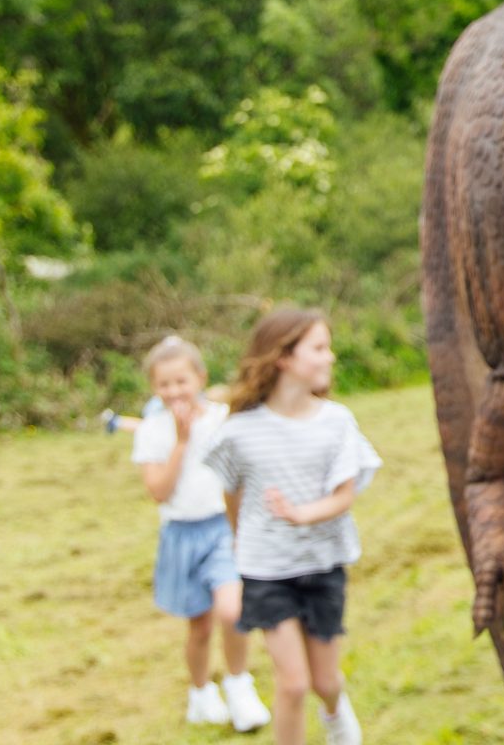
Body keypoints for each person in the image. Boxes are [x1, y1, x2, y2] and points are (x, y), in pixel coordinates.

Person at [202, 309, 382, 745]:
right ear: (283, 358)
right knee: (294, 683)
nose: (330, 357)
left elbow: (344, 496)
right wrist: (242, 544)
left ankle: (335, 712)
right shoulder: (239, 432)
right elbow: (231, 495)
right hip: (267, 571)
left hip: (323, 566)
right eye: (318, 348)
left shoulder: (337, 422)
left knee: (326, 681)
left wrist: (302, 514)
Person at [130, 335, 271, 732]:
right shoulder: (151, 431)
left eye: (182, 381)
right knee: (200, 626)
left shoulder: (223, 419)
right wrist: (181, 441)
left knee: (232, 610)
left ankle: (239, 685)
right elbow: (159, 491)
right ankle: (200, 694)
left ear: (200, 379)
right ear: (154, 388)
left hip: (222, 528)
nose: (174, 391)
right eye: (164, 384)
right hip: (180, 535)